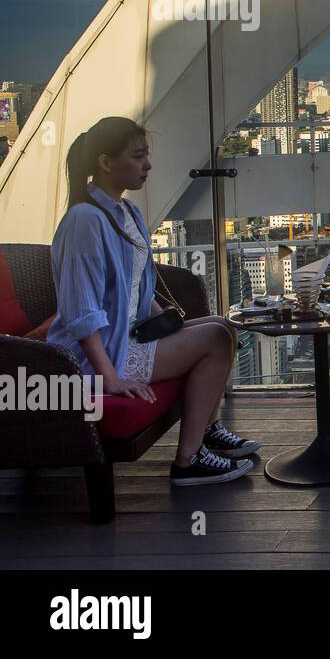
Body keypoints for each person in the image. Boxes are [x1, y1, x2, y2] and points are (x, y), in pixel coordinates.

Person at [46, 117, 261, 486]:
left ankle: (208, 431)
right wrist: (110, 379)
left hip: (128, 337)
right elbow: (80, 311)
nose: (147, 165)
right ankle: (188, 461)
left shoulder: (127, 213)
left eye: (147, 156)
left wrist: (166, 324)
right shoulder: (84, 220)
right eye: (138, 156)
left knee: (223, 326)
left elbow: (137, 288)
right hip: (99, 355)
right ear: (105, 162)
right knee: (212, 340)